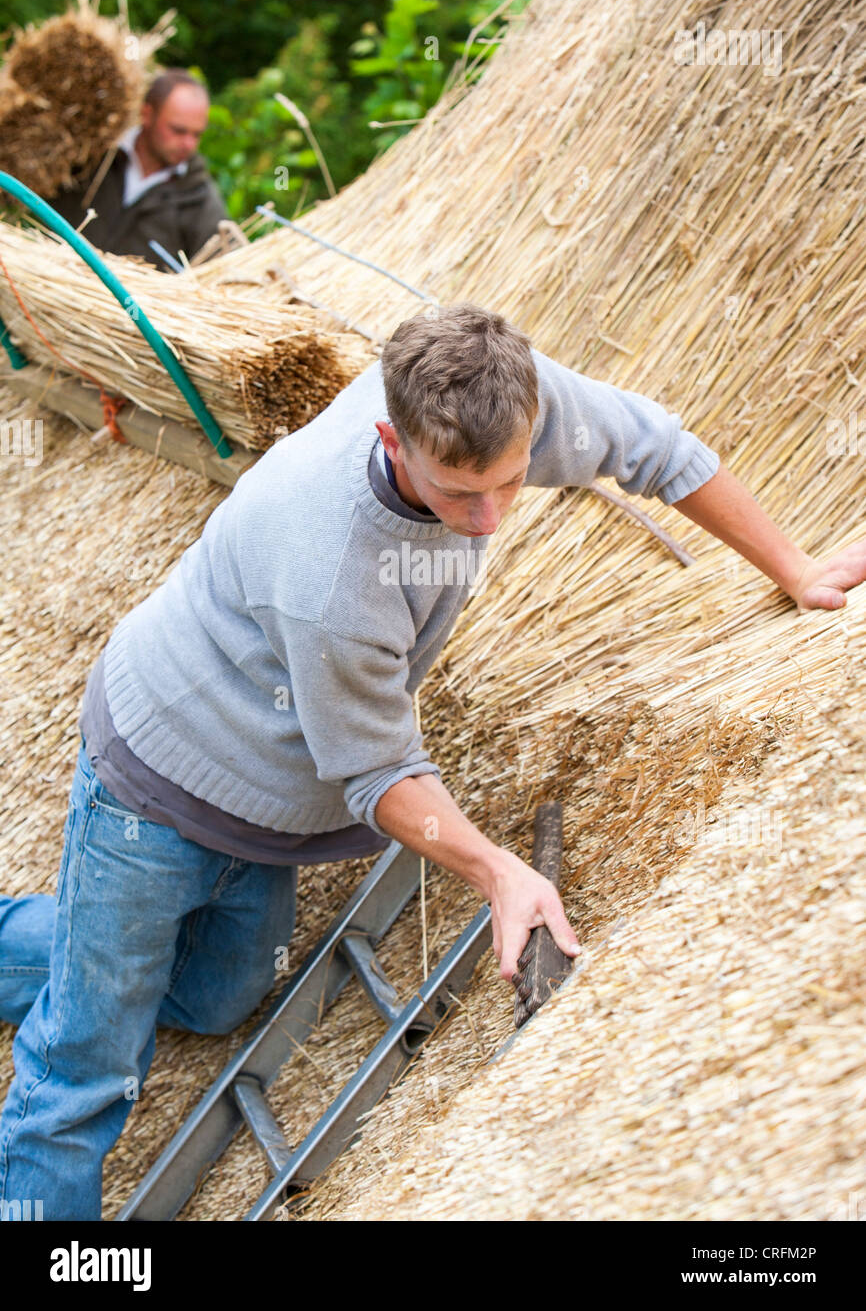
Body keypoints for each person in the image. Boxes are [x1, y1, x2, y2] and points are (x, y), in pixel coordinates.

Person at [1, 302, 864, 1221]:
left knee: (214, 1001)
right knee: (88, 1068)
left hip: (263, 806)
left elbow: (655, 445)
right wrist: (498, 872)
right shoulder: (332, 566)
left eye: (511, 481)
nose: (487, 520)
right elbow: (375, 773)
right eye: (459, 495)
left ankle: (87, 952)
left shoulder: (493, 402)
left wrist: (796, 568)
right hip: (158, 779)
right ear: (390, 433)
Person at [48, 69, 228, 270]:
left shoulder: (199, 198)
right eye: (178, 131)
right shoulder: (91, 155)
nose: (189, 144)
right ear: (147, 114)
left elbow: (219, 274)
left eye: (197, 135)